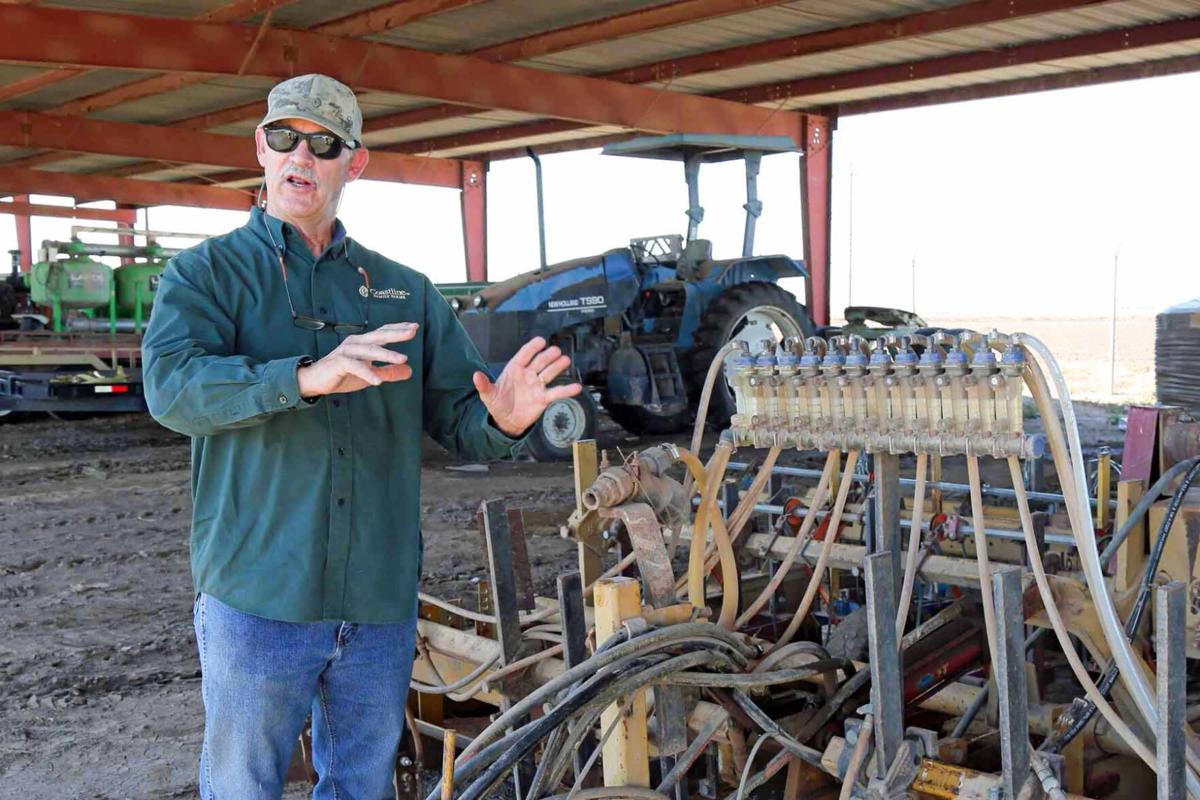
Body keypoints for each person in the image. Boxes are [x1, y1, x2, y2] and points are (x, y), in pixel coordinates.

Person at [142, 73, 581, 800]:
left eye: (324, 144)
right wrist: (303, 378)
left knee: (362, 786)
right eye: (285, 137)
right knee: (243, 786)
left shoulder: (404, 289)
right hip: (260, 594)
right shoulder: (206, 276)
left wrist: (505, 421)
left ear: (355, 162)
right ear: (261, 148)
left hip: (377, 599)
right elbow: (173, 389)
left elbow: (462, 419)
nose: (301, 156)